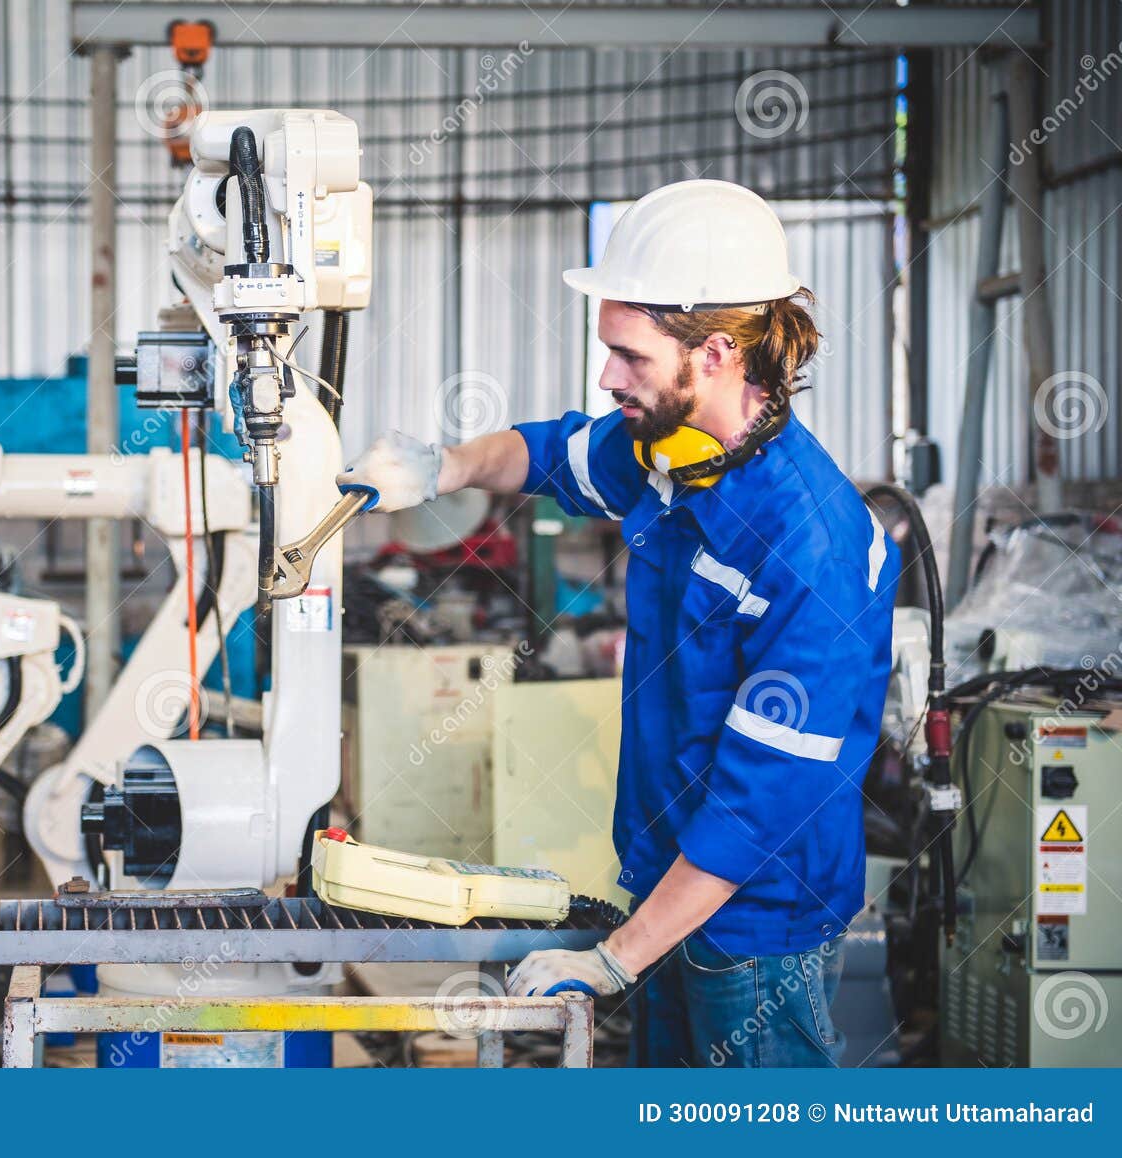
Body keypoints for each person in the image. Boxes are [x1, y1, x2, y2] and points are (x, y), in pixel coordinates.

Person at [338, 180, 898, 1067]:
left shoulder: (810, 547)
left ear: (715, 352)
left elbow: (757, 813)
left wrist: (611, 959)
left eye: (629, 356)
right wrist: (443, 466)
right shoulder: (666, 454)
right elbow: (547, 450)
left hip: (754, 927)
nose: (608, 377)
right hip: (663, 890)